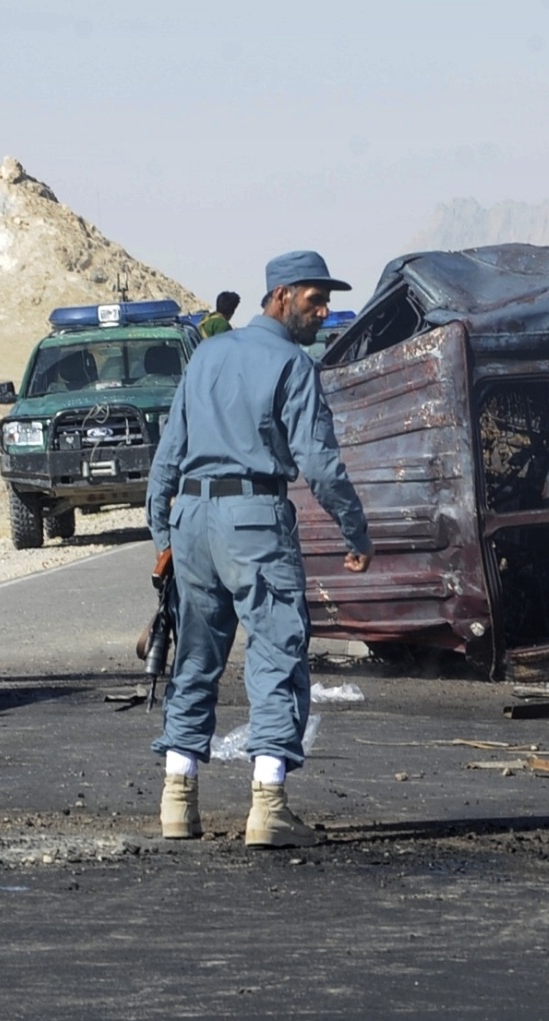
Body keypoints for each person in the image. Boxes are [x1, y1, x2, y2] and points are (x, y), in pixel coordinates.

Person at [147, 251, 372, 848]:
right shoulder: (293, 365)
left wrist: (162, 533)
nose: (322, 313)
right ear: (279, 296)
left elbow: (170, 451)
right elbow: (320, 464)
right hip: (255, 519)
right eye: (313, 300)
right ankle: (268, 807)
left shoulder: (206, 355)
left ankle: (178, 800)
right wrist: (356, 530)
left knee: (195, 656)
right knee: (276, 653)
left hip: (194, 519)